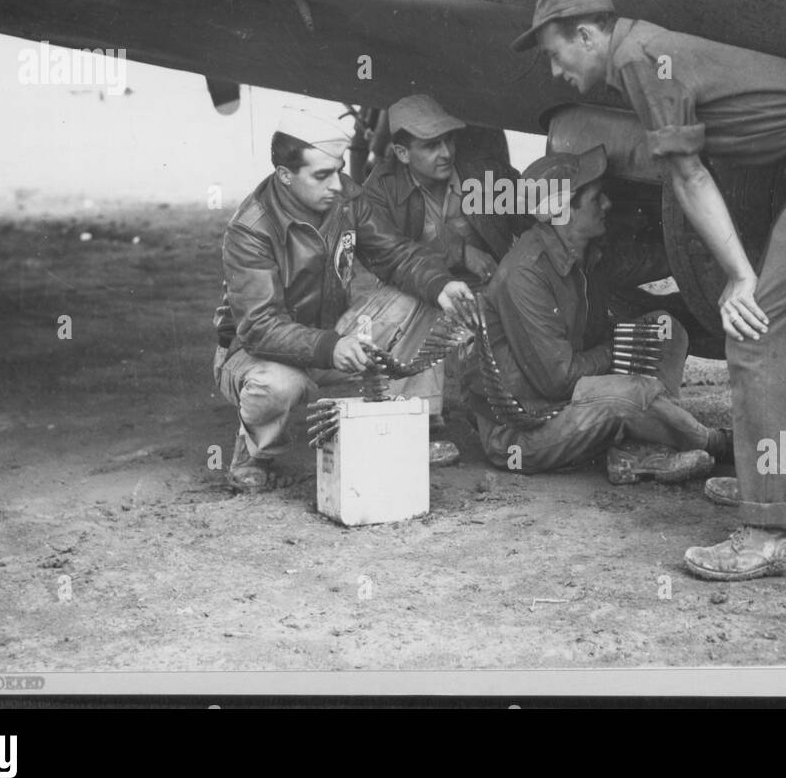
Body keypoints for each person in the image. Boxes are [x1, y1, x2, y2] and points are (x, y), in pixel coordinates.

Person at [514, 0, 786, 579]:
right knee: (778, 332)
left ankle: (776, 533)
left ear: (587, 34)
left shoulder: (644, 61)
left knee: (761, 331)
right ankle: (776, 492)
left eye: (554, 53)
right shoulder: (643, 54)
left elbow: (690, 178)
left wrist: (738, 275)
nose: (554, 71)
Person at [212, 107, 477, 492]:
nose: (338, 184)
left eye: (338, 169)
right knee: (278, 385)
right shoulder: (250, 229)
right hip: (256, 354)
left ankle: (409, 428)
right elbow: (258, 328)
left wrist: (441, 284)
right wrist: (331, 346)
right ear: (285, 176)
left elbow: (394, 254)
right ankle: (253, 457)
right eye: (322, 175)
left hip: (331, 337)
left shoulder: (344, 196)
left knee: (424, 297)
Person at [470, 145, 730, 483]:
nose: (607, 204)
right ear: (564, 211)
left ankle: (641, 446)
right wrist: (613, 353)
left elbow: (648, 265)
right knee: (630, 392)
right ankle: (717, 443)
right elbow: (557, 380)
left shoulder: (582, 253)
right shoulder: (524, 274)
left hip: (569, 396)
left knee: (666, 329)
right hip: (528, 428)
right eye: (596, 199)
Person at [360, 94, 530, 429]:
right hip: (419, 290)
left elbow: (533, 223)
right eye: (431, 145)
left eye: (448, 140)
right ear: (402, 153)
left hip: (486, 288)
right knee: (406, 315)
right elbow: (390, 254)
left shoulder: (484, 175)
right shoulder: (379, 191)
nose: (447, 153)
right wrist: (459, 252)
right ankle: (419, 418)